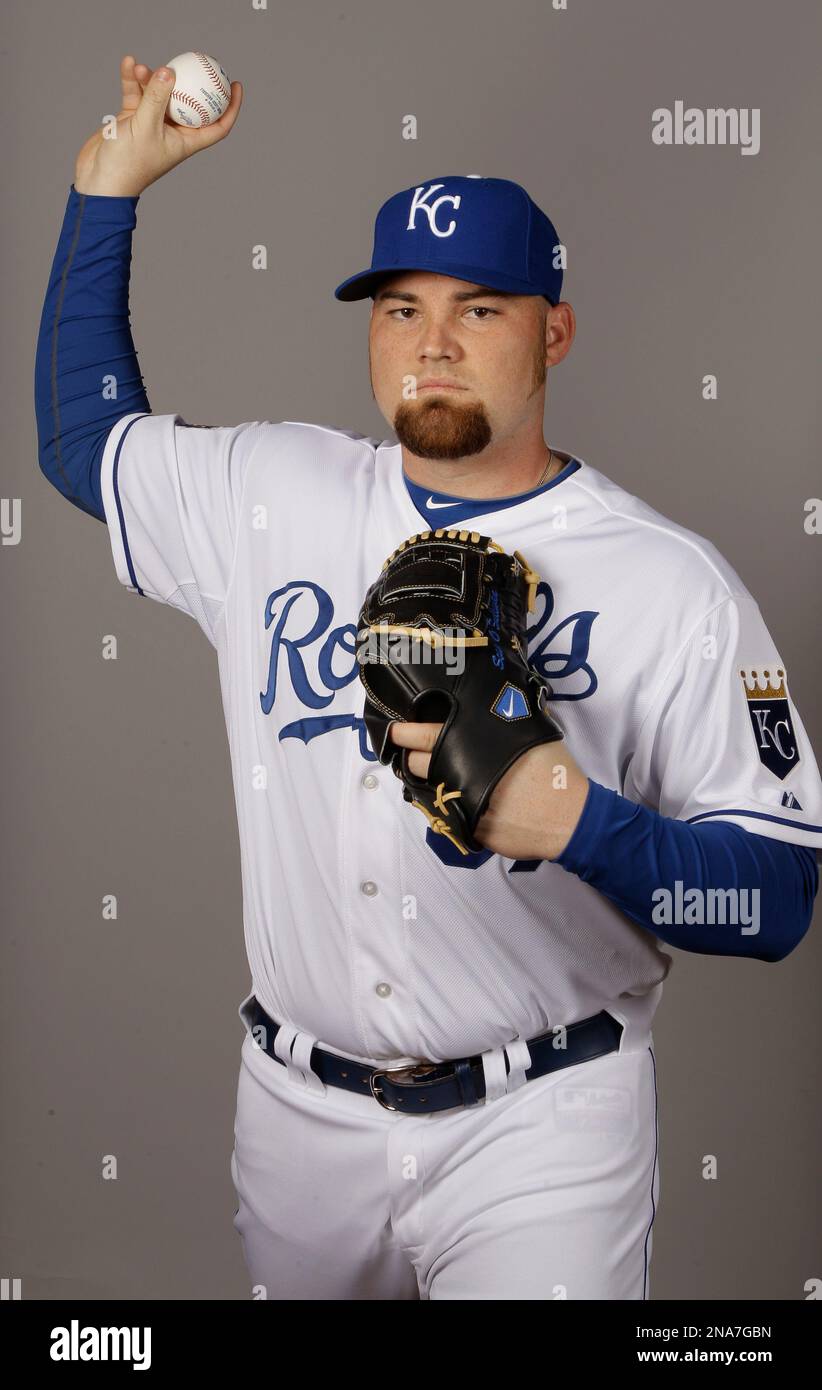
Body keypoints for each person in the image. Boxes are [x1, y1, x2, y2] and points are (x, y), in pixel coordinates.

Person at [35, 56, 821, 1301]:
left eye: (481, 309)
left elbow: (777, 900)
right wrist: (106, 193)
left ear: (553, 330)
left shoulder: (674, 583)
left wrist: (584, 826)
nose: (434, 344)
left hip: (544, 1121)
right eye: (400, 308)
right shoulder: (273, 491)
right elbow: (85, 446)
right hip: (296, 1116)